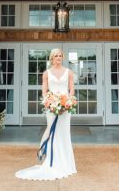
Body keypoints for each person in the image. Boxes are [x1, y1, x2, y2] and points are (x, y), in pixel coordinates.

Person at [15, 48, 77, 180]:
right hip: (51, 107)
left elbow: (71, 91)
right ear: (52, 58)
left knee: (64, 132)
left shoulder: (69, 72)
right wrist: (50, 102)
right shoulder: (46, 73)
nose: (59, 58)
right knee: (53, 132)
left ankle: (66, 164)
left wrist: (67, 103)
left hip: (65, 108)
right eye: (56, 56)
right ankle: (52, 161)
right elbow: (44, 91)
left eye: (60, 55)